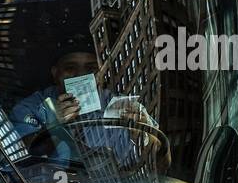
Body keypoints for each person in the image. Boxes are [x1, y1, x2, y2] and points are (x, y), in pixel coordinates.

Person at [10, 49, 165, 171]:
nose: (81, 74)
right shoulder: (31, 108)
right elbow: (16, 159)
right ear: (55, 73)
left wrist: (143, 136)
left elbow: (162, 166)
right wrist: (52, 125)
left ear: (101, 74)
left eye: (91, 68)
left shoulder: (124, 107)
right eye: (70, 68)